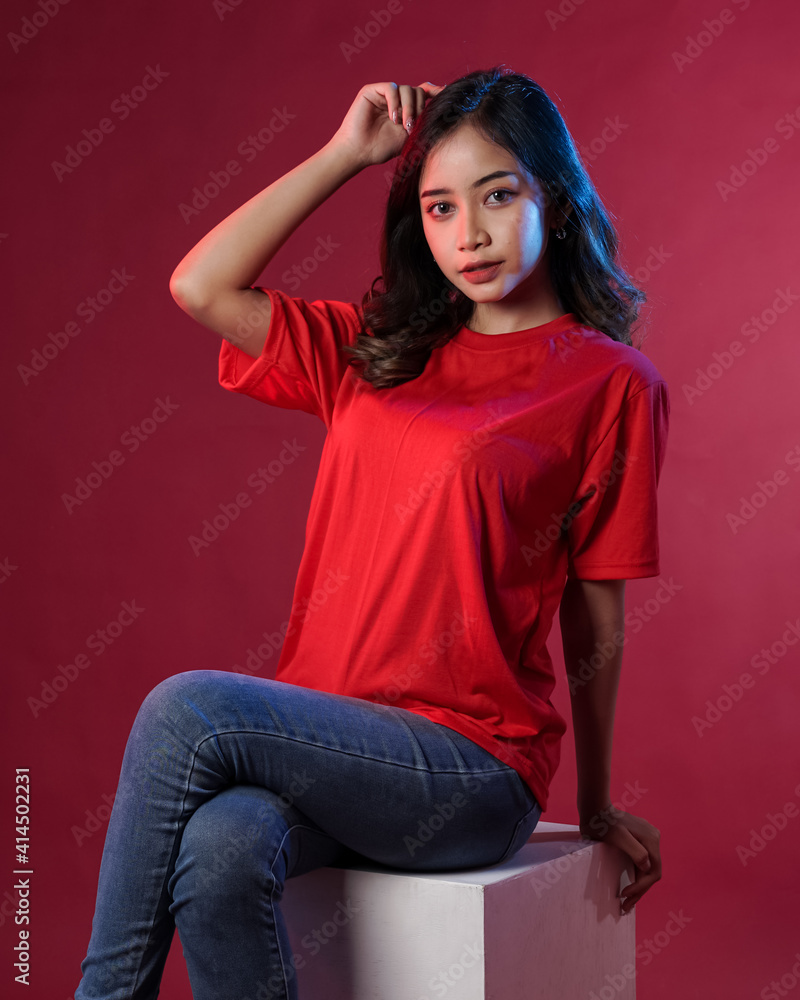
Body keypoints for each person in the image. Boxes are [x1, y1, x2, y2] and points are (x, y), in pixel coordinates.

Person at [75, 67, 668, 1000]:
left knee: (184, 710)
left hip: (472, 766)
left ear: (554, 196)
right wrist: (347, 155)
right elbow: (199, 284)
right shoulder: (377, 353)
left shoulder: (611, 384)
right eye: (438, 206)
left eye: (497, 194)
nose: (466, 233)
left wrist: (592, 804)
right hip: (333, 751)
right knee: (222, 846)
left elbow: (599, 613)